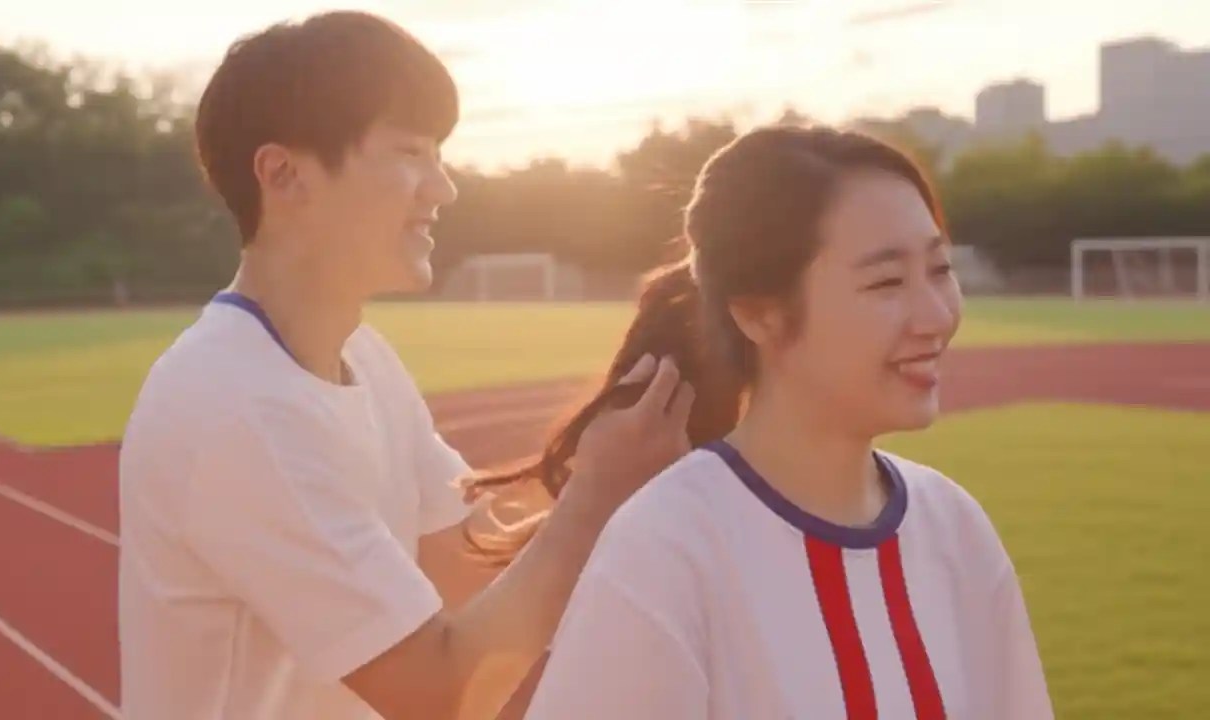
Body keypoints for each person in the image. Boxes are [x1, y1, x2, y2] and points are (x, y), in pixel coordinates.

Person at [116, 11, 693, 720]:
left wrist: (630, 459)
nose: (442, 188)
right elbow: (440, 694)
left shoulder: (362, 357)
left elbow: (473, 565)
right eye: (412, 152)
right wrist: (597, 495)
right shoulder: (234, 405)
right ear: (284, 174)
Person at [494, 125, 1055, 719]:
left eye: (940, 270)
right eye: (887, 282)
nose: (937, 315)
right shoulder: (669, 546)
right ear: (758, 314)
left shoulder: (954, 527)